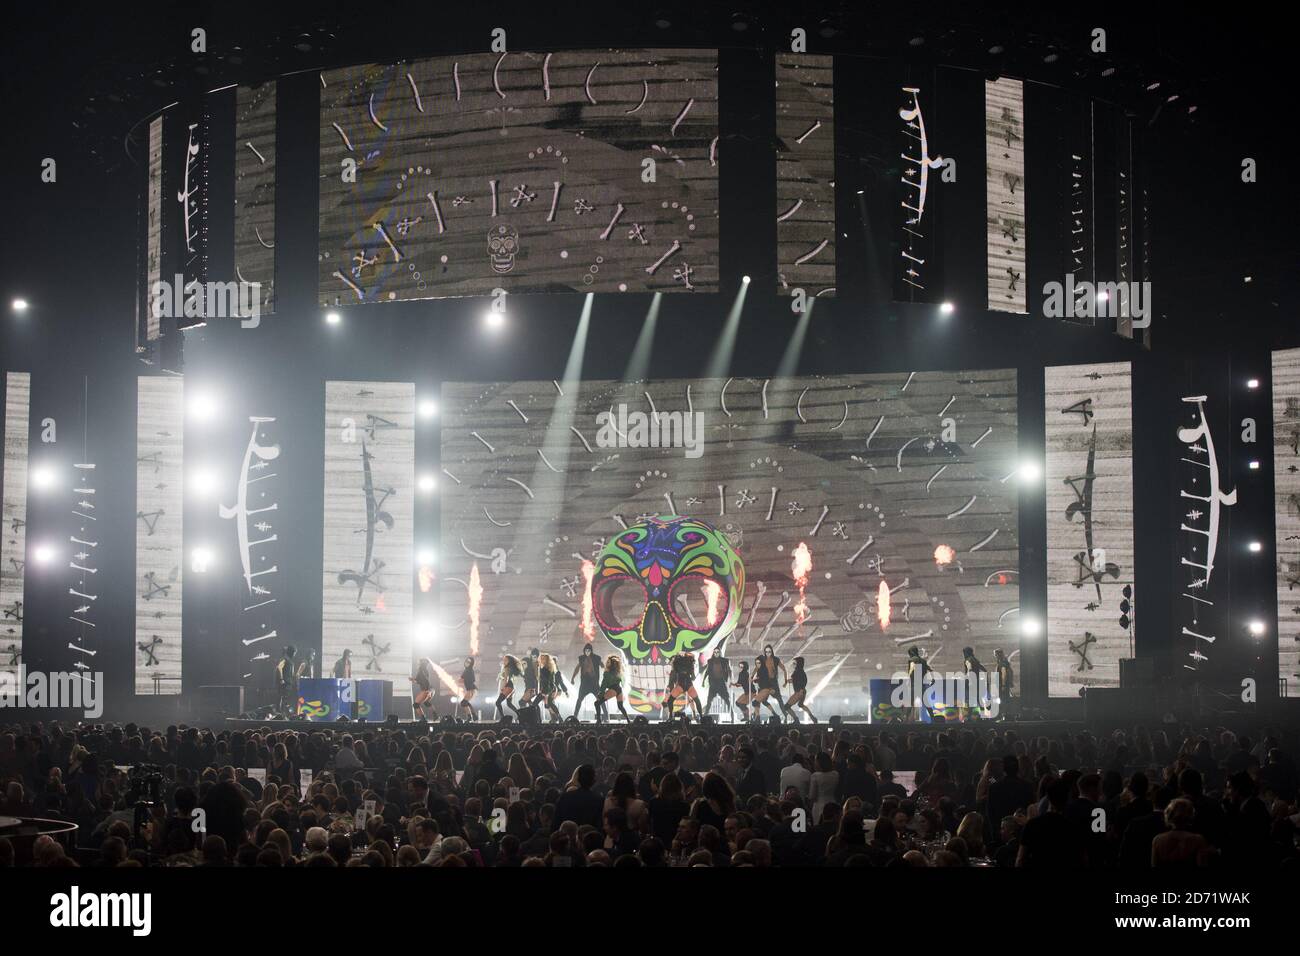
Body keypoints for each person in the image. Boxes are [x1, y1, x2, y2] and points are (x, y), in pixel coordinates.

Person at [663, 652, 702, 719]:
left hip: (681, 685)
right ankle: (701, 716)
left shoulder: (676, 665)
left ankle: (670, 717)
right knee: (696, 700)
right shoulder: (688, 664)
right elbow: (693, 677)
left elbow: (672, 679)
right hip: (688, 685)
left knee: (670, 701)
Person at [752, 646, 787, 721]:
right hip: (763, 682)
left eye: (769, 652)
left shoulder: (776, 659)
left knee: (779, 699)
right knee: (760, 701)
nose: (768, 653)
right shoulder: (762, 659)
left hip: (773, 682)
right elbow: (757, 668)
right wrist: (752, 676)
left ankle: (785, 715)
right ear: (764, 652)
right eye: (766, 652)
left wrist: (786, 681)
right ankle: (756, 717)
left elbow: (784, 669)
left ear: (772, 652)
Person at [570, 644, 603, 720]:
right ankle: (575, 716)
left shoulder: (596, 658)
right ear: (584, 651)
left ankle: (604, 716)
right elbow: (577, 668)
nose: (587, 652)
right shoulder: (582, 658)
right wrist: (572, 678)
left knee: (600, 700)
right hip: (585, 683)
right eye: (586, 650)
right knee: (579, 699)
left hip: (594, 683)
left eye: (589, 650)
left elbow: (602, 665)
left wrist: (604, 668)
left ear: (591, 651)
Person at [784, 657, 816, 723]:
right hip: (802, 691)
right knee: (800, 704)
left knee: (786, 707)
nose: (793, 664)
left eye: (794, 663)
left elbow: (803, 681)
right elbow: (797, 680)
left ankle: (796, 719)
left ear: (799, 664)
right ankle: (812, 717)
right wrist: (790, 681)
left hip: (799, 692)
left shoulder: (799, 672)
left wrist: (800, 690)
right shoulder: (799, 671)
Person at [598, 655, 630, 722]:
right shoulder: (619, 672)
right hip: (619, 689)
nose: (607, 663)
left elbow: (604, 684)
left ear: (612, 664)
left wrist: (601, 692)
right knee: (620, 707)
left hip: (613, 690)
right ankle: (628, 720)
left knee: (597, 703)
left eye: (608, 662)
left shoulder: (607, 673)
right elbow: (623, 682)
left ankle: (598, 720)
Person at [905, 646, 932, 721]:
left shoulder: (912, 659)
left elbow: (911, 669)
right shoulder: (923, 661)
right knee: (926, 703)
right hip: (922, 686)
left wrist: (908, 679)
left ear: (912, 652)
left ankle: (906, 720)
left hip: (914, 685)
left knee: (910, 704)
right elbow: (929, 669)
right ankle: (933, 718)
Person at [704, 650, 732, 720]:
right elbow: (708, 671)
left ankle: (732, 716)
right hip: (713, 683)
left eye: (717, 652)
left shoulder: (724, 660)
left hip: (721, 682)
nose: (716, 653)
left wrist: (730, 680)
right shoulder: (710, 661)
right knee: (709, 700)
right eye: (715, 652)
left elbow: (729, 670)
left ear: (720, 653)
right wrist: (703, 680)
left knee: (727, 700)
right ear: (713, 653)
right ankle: (704, 716)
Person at [495, 655, 522, 721]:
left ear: (509, 661)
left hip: (508, 686)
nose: (504, 661)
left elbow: (506, 679)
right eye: (503, 660)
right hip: (512, 687)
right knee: (509, 704)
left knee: (498, 702)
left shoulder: (507, 668)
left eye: (506, 660)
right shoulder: (512, 668)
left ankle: (502, 717)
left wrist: (503, 687)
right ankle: (520, 715)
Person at [538, 654, 562, 723]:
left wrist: (545, 691)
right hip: (549, 688)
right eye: (541, 658)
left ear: (547, 660)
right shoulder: (546, 668)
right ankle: (556, 717)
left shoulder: (546, 668)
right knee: (548, 704)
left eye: (543, 659)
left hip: (550, 689)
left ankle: (557, 718)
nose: (542, 660)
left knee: (549, 703)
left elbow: (547, 681)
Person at [275, 646, 298, 715]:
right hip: (285, 683)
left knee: (286, 698)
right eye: (294, 653)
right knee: (283, 697)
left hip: (289, 682)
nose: (295, 654)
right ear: (292, 652)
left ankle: (284, 713)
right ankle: (280, 713)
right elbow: (279, 667)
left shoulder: (289, 660)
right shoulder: (285, 659)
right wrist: (281, 679)